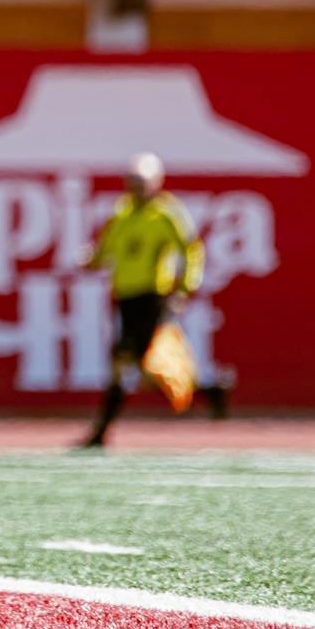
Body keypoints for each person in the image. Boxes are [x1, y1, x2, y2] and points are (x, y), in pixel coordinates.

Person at [79, 152, 211, 448]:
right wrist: (92, 261)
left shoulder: (166, 214)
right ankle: (209, 390)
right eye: (132, 181)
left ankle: (101, 431)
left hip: (152, 297)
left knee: (129, 361)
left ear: (156, 182)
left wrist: (185, 287)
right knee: (135, 365)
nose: (136, 187)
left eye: (141, 182)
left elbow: (191, 249)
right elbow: (107, 249)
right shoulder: (122, 213)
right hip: (125, 298)